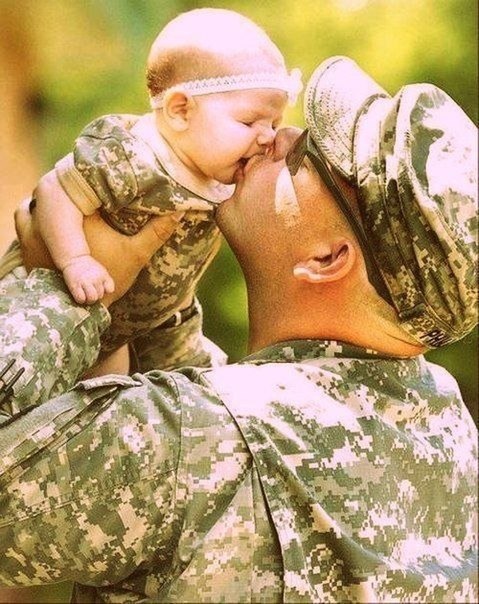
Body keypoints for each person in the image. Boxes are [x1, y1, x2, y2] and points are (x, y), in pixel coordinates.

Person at [0, 56, 477, 603]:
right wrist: (155, 295)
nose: (278, 135)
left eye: (304, 153)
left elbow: (209, 443)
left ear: (327, 258)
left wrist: (64, 292)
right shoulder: (451, 437)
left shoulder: (194, 438)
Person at [0, 7, 301, 375]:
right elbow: (52, 192)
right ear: (180, 110)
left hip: (131, 326)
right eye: (249, 121)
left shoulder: (223, 179)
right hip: (47, 302)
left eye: (274, 123)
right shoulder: (132, 156)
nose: (267, 136)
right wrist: (74, 260)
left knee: (113, 395)